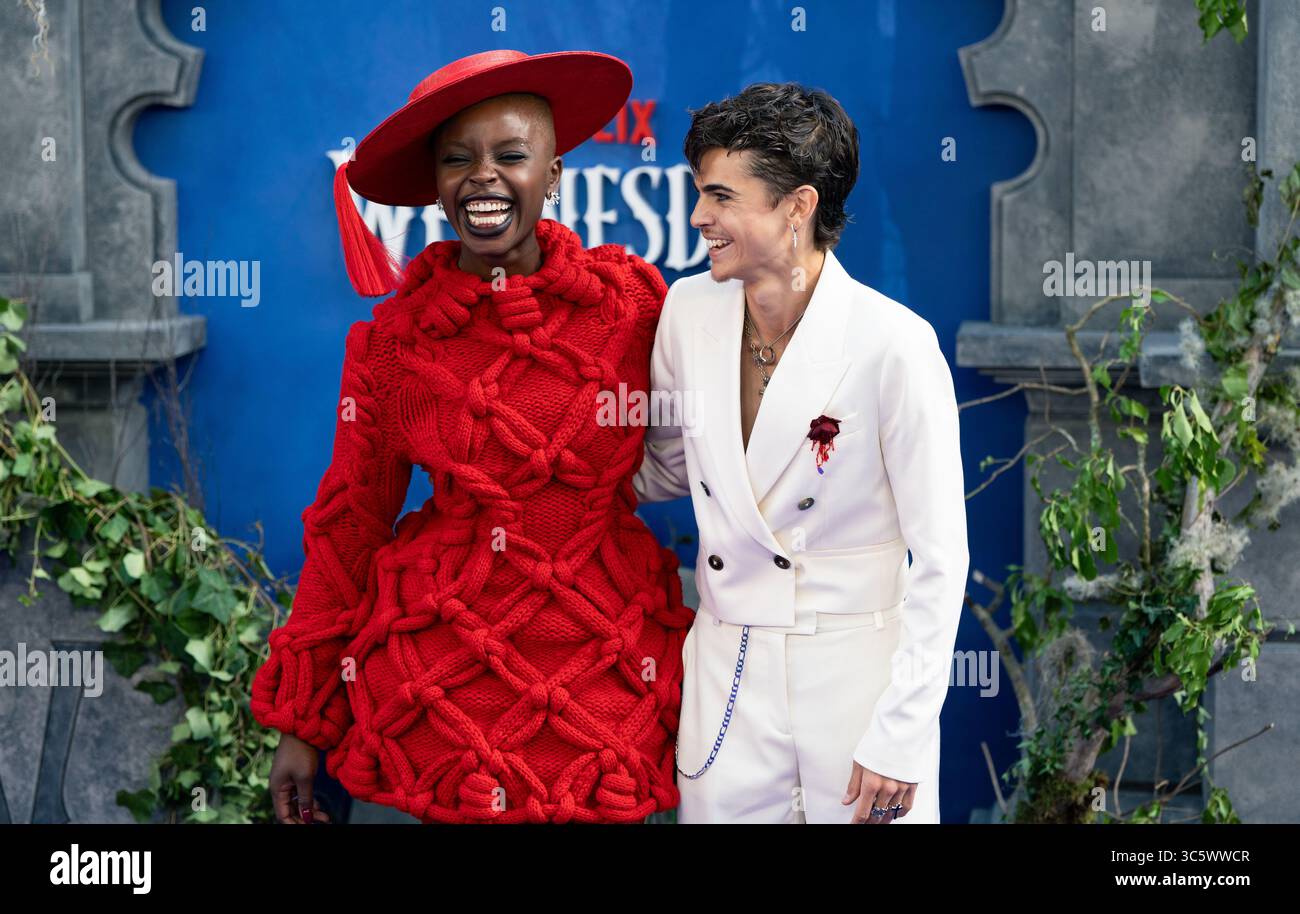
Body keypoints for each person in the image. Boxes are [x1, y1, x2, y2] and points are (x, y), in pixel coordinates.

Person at [250, 50, 694, 824]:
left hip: (612, 684)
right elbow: (351, 529)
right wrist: (303, 723)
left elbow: (725, 452)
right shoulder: (394, 342)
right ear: (435, 186)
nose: (483, 176)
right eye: (458, 159)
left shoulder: (634, 306)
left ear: (554, 173)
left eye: (511, 155)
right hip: (437, 699)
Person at [633, 82, 969, 824]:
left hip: (858, 682)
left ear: (797, 208)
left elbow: (941, 560)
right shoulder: (686, 313)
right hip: (726, 674)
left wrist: (903, 732)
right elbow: (663, 468)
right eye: (698, 193)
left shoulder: (895, 345)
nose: (698, 218)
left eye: (721, 197)